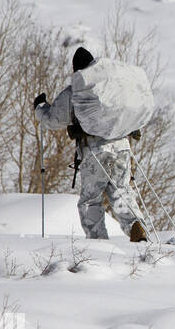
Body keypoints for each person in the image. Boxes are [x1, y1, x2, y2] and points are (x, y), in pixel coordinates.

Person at [34, 46, 148, 242]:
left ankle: (98, 242)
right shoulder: (112, 88)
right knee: (121, 191)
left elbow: (52, 120)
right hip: (122, 146)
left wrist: (40, 106)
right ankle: (136, 226)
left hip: (95, 150)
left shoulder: (76, 92)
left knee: (91, 199)